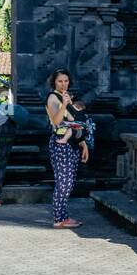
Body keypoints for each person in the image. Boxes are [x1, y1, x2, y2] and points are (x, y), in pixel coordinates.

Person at [44, 70, 91, 229]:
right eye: (60, 81)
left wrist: (83, 143)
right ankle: (58, 219)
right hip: (60, 144)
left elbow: (77, 119)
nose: (63, 84)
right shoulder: (53, 97)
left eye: (66, 81)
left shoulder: (68, 97)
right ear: (54, 83)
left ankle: (64, 217)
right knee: (63, 183)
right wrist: (64, 104)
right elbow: (56, 121)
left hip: (73, 143)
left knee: (69, 183)